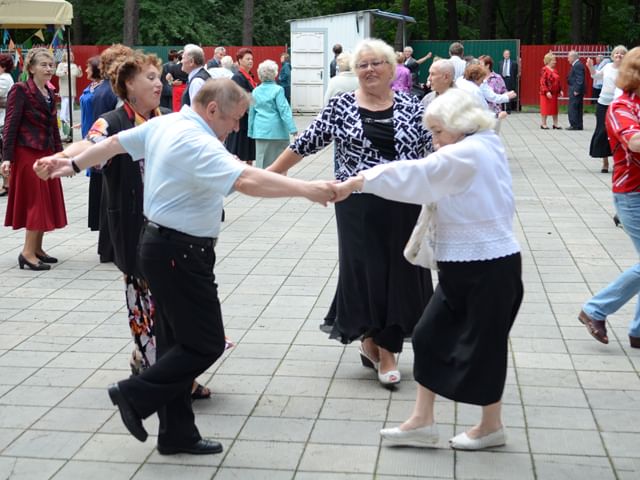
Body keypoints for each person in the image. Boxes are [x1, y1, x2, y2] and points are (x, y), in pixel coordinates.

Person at [34, 78, 336, 455]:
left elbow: (114, 144)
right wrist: (308, 190)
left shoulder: (167, 123)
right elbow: (245, 181)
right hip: (181, 253)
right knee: (206, 344)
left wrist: (74, 164)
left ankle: (177, 433)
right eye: (235, 118)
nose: (237, 127)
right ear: (212, 109)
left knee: (174, 342)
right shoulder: (196, 140)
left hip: (161, 246)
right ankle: (134, 394)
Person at [332, 88, 522, 451]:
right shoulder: (484, 142)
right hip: (468, 267)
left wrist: (359, 181)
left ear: (461, 125)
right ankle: (422, 421)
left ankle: (490, 427)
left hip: (489, 267)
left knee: (483, 346)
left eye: (437, 131)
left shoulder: (467, 152)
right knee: (429, 336)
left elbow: (418, 174)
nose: (433, 140)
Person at [268, 38, 434, 387]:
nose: (369, 69)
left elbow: (430, 152)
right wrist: (269, 176)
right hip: (357, 205)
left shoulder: (412, 105)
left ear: (392, 69)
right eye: (362, 65)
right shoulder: (341, 106)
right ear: (354, 71)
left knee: (401, 271)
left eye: (376, 63)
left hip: (404, 202)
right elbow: (306, 142)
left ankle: (385, 348)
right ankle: (373, 341)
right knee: (366, 270)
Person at [578, 46, 640, 350]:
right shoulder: (622, 106)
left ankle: (639, 331)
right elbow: (634, 141)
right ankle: (595, 309)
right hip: (632, 194)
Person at [1, 48, 67, 271]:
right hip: (27, 152)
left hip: (46, 152)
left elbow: (53, 128)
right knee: (36, 202)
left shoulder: (49, 91)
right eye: (43, 65)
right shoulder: (20, 90)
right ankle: (27, 253)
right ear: (30, 68)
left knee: (46, 200)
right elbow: (10, 125)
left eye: (51, 65)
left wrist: (61, 155)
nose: (49, 69)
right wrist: (6, 158)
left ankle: (37, 248)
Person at [91, 44, 134, 261]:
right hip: (111, 151)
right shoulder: (109, 90)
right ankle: (111, 249)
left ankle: (108, 249)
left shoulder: (103, 88)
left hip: (110, 150)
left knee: (109, 201)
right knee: (113, 201)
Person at [248, 60, 297, 169]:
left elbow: (252, 113)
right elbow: (284, 110)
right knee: (280, 163)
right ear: (275, 74)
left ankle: (262, 184)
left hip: (260, 131)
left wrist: (251, 131)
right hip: (277, 131)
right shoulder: (278, 90)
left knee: (261, 161)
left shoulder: (255, 91)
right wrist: (292, 129)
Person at [587, 45, 627, 173]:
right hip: (603, 103)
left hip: (618, 104)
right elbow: (596, 76)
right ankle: (605, 162)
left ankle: (618, 161)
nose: (618, 55)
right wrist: (590, 67)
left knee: (617, 133)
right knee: (602, 130)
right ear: (613, 56)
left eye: (621, 54)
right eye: (616, 53)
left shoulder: (626, 70)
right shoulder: (608, 66)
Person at [226, 48, 256, 165]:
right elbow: (237, 99)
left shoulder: (249, 76)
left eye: (251, 59)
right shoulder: (238, 77)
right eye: (247, 59)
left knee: (249, 153)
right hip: (241, 120)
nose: (250, 61)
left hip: (248, 120)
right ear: (239, 60)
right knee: (239, 152)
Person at [55, 51, 82, 142]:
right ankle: (63, 118)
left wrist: (79, 70)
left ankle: (68, 121)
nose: (69, 57)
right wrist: (64, 72)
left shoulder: (74, 65)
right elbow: (57, 73)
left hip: (72, 88)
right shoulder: (61, 65)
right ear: (64, 57)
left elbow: (78, 75)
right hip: (64, 87)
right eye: (68, 56)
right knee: (65, 103)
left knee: (70, 105)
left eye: (71, 56)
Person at [0, 53, 15, 197]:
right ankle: (6, 183)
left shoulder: (4, 79)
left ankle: (7, 184)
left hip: (2, 121)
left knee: (2, 153)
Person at [539, 52, 563, 130]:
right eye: (553, 60)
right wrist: (547, 91)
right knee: (545, 108)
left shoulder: (555, 70)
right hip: (546, 94)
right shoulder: (544, 69)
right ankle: (543, 124)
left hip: (554, 93)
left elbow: (558, 81)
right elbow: (542, 82)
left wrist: (560, 90)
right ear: (548, 61)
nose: (555, 61)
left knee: (554, 109)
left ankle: (555, 124)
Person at [79, 56, 101, 139]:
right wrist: (83, 121)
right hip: (86, 127)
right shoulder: (91, 85)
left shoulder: (102, 89)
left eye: (88, 67)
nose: (86, 70)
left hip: (95, 132)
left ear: (96, 69)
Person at [567, 50, 585, 130]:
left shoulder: (577, 65)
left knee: (573, 107)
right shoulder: (577, 65)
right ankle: (578, 125)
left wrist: (577, 89)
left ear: (572, 57)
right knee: (577, 107)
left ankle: (574, 124)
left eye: (568, 57)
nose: (568, 59)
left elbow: (580, 78)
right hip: (575, 89)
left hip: (575, 90)